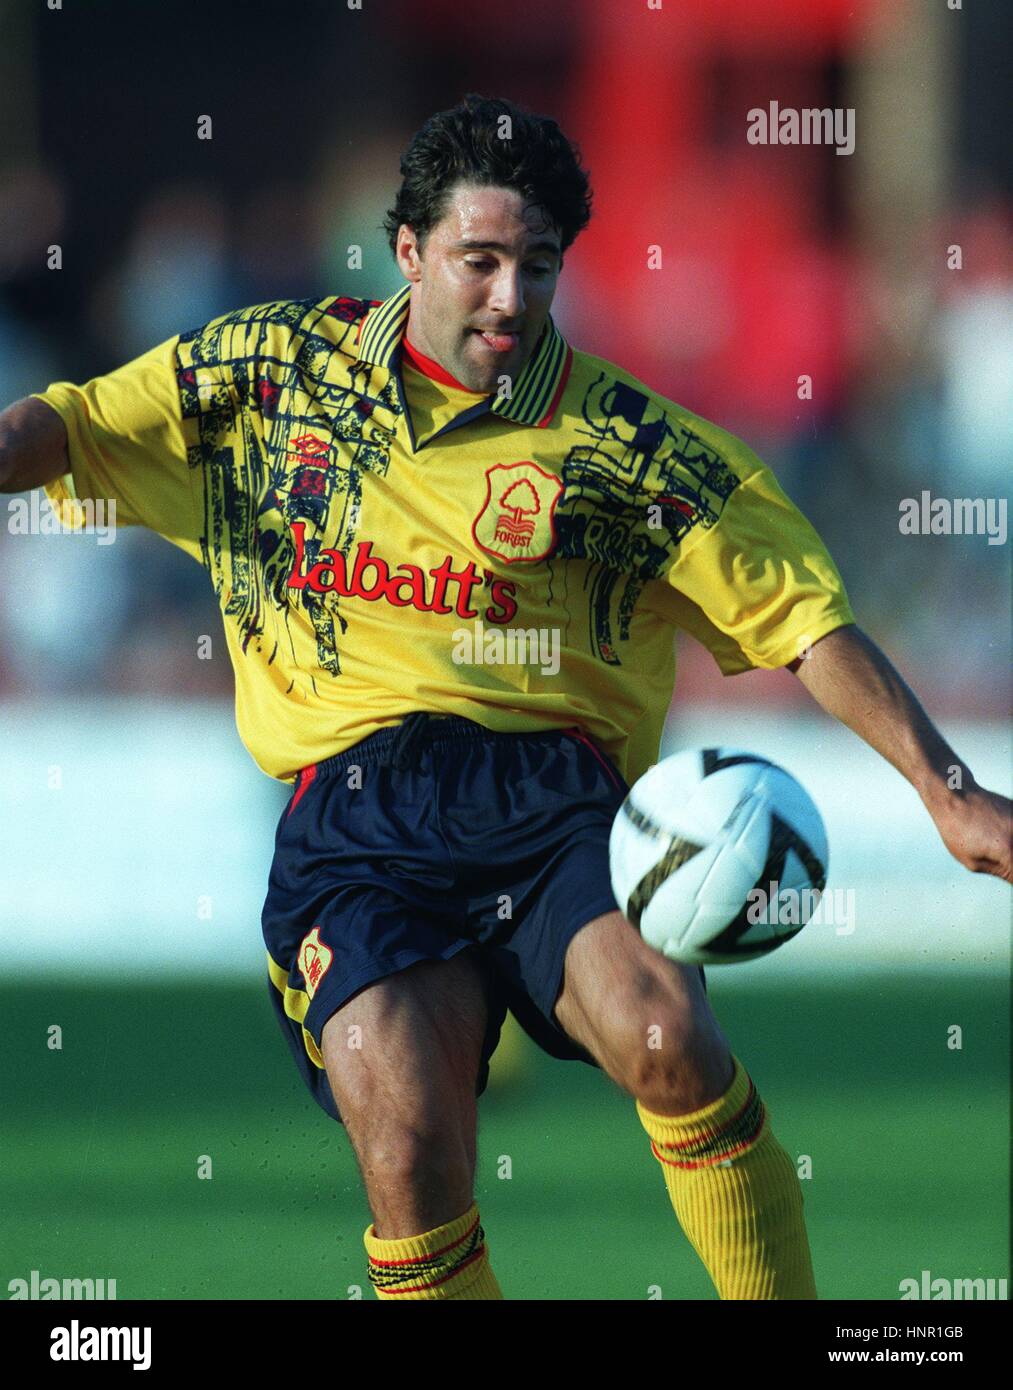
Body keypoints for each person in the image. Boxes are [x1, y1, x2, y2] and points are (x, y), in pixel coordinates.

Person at [1, 93, 1008, 1302]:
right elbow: (67, 428)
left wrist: (948, 795)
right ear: (408, 250)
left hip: (553, 797)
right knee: (408, 1142)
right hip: (353, 821)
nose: (508, 299)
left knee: (664, 1034)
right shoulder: (265, 375)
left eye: (536, 266)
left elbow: (801, 621)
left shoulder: (630, 450)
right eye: (478, 261)